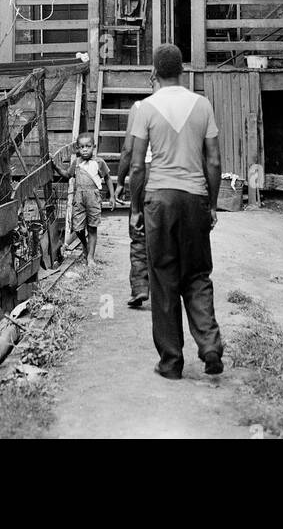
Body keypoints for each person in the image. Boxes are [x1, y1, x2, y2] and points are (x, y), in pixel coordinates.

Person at [129, 43, 224, 379]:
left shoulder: (146, 108)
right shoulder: (202, 105)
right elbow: (213, 160)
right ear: (182, 70)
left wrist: (135, 209)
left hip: (159, 201)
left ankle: (171, 363)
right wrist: (212, 203)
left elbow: (137, 167)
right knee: (198, 275)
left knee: (164, 279)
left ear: (155, 72)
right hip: (195, 198)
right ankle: (210, 344)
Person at [114, 72, 157, 308]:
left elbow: (129, 150)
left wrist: (120, 181)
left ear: (153, 81)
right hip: (172, 177)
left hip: (146, 172)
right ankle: (165, 289)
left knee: (138, 227)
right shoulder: (187, 107)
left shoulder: (140, 107)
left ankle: (141, 287)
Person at [55, 132, 116, 269]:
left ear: (94, 147)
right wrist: (56, 167)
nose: (84, 149)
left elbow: (107, 178)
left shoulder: (99, 162)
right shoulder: (76, 163)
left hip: (93, 198)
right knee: (78, 229)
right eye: (81, 147)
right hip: (79, 198)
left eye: (88, 146)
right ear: (77, 148)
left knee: (92, 228)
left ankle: (90, 257)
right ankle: (84, 244)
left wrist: (112, 196)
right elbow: (67, 175)